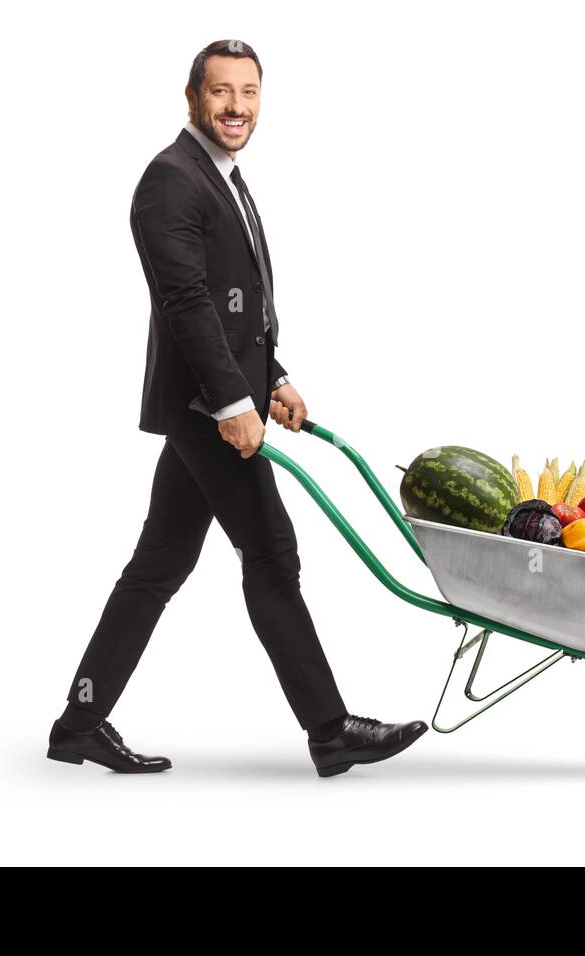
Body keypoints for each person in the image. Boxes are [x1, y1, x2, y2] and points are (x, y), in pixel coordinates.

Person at [46, 39, 427, 778]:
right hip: (207, 408)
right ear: (192, 97)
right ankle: (330, 729)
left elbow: (234, 301)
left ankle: (79, 723)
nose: (236, 107)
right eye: (221, 92)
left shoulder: (218, 174)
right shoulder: (170, 180)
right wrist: (232, 401)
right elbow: (186, 304)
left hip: (225, 400)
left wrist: (273, 377)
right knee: (273, 556)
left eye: (249, 93)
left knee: (159, 564)